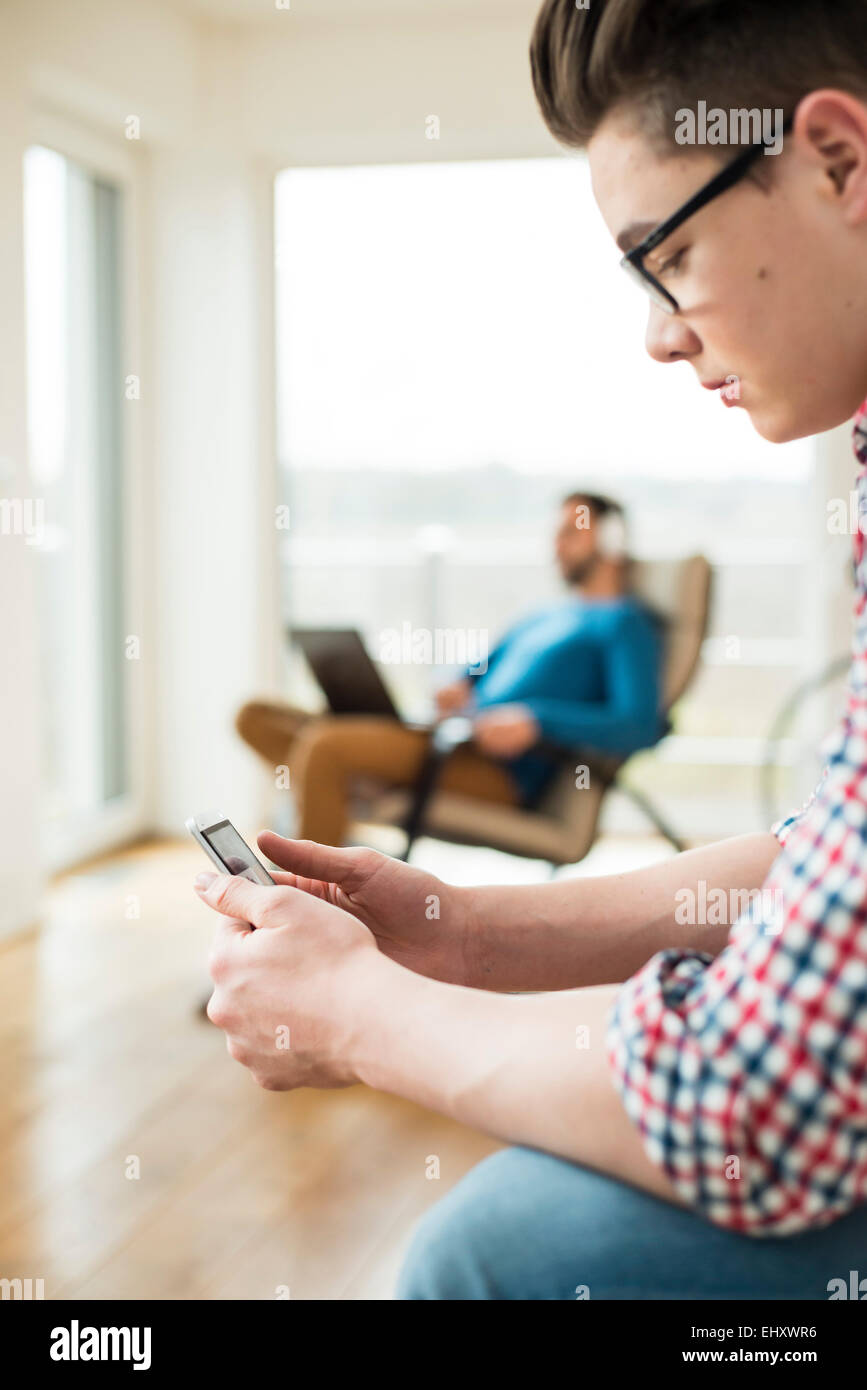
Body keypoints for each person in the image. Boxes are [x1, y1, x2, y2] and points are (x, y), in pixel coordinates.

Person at [197, 0, 867, 1299]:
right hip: (465, 728)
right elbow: (835, 847)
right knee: (317, 722)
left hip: (515, 767)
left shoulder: (616, 616)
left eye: (665, 256)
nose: (659, 332)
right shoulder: (546, 607)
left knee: (493, 1244)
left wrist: (357, 1012)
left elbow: (755, 1110)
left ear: (837, 160)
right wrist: (457, 930)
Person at [235, 493, 664, 846]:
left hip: (490, 771)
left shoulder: (624, 625)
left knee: (325, 747)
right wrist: (453, 683)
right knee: (257, 717)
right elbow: (476, 666)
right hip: (444, 735)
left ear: (611, 543)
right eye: (555, 534)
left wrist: (537, 721)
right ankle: (347, 800)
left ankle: (310, 899)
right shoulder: (542, 616)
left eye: (571, 534)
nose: (555, 546)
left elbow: (639, 725)